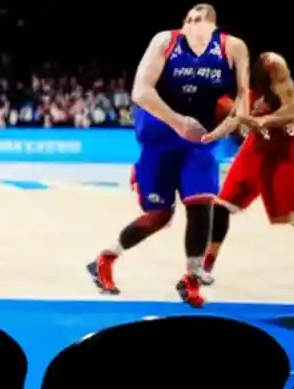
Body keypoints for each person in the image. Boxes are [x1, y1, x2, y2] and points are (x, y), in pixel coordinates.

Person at [88, 4, 249, 308]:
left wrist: (235, 120)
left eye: (200, 21)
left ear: (213, 27)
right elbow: (140, 92)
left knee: (202, 203)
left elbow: (242, 97)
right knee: (159, 216)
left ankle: (191, 277)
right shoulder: (165, 41)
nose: (192, 24)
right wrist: (178, 122)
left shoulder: (234, 48)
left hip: (199, 138)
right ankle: (105, 258)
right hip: (160, 132)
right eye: (189, 19)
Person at [202, 52, 294, 297]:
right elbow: (235, 118)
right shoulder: (246, 90)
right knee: (222, 205)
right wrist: (214, 133)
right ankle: (205, 267)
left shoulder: (281, 83)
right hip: (259, 145)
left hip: (287, 146)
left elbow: (291, 112)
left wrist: (265, 121)